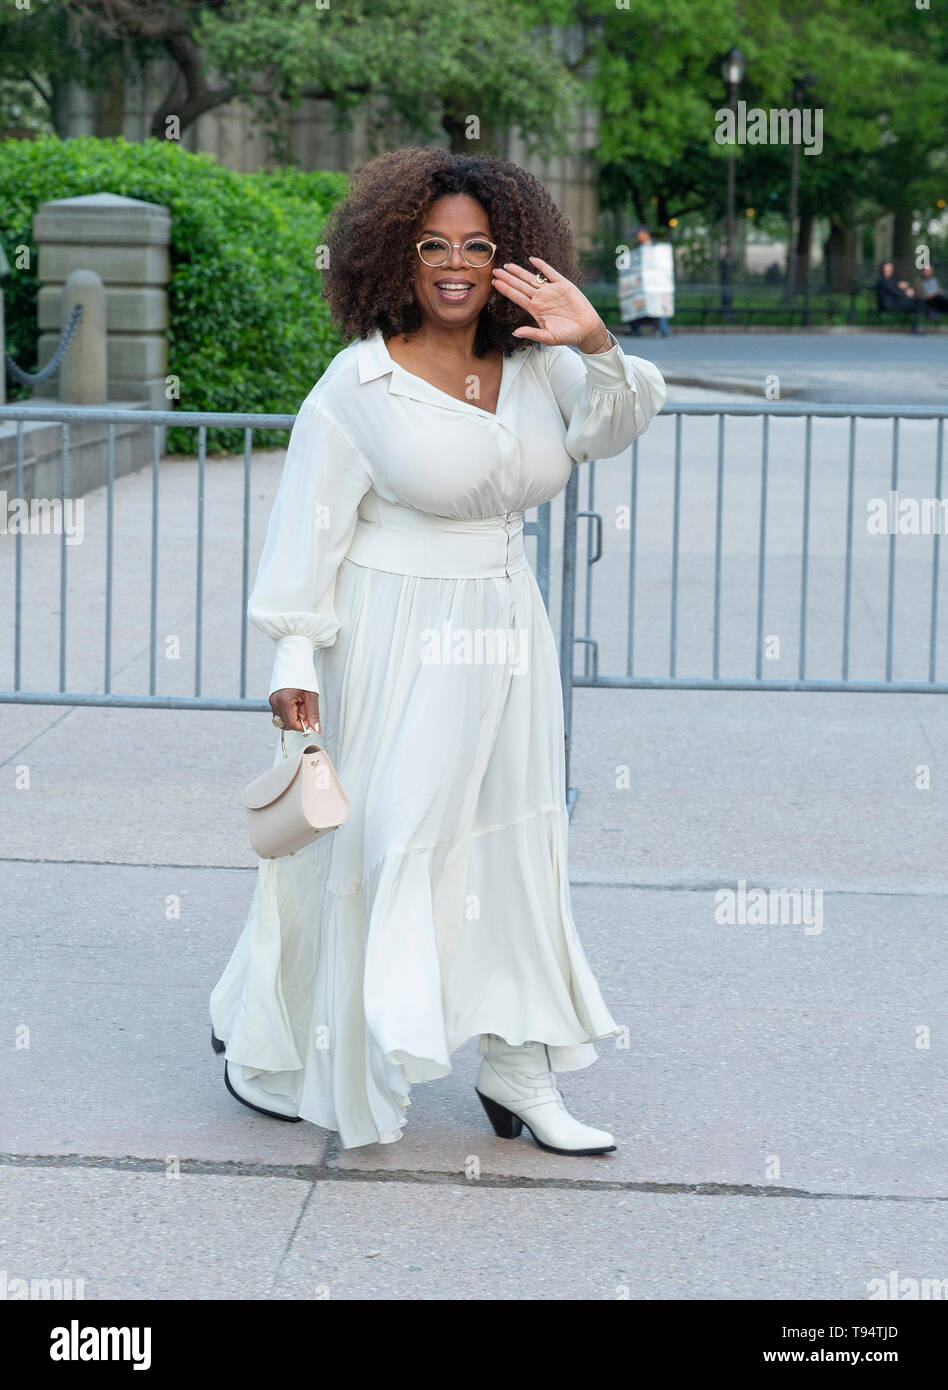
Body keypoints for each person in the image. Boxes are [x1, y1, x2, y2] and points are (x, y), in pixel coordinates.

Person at [208, 148, 667, 1154]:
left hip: (508, 627)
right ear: (395, 258)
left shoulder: (544, 362)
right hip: (390, 632)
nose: (454, 265)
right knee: (381, 840)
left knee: (513, 844)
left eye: (476, 246)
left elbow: (618, 423)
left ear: (512, 258)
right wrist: (292, 654)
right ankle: (294, 1045)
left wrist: (597, 343)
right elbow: (308, 529)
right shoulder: (358, 382)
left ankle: (519, 1069)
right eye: (432, 246)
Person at [630, 224, 671, 337]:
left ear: (644, 234)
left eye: (638, 234)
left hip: (656, 283)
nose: (637, 237)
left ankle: (663, 329)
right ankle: (636, 329)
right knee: (637, 304)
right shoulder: (638, 249)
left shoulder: (657, 247)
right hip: (642, 283)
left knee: (659, 305)